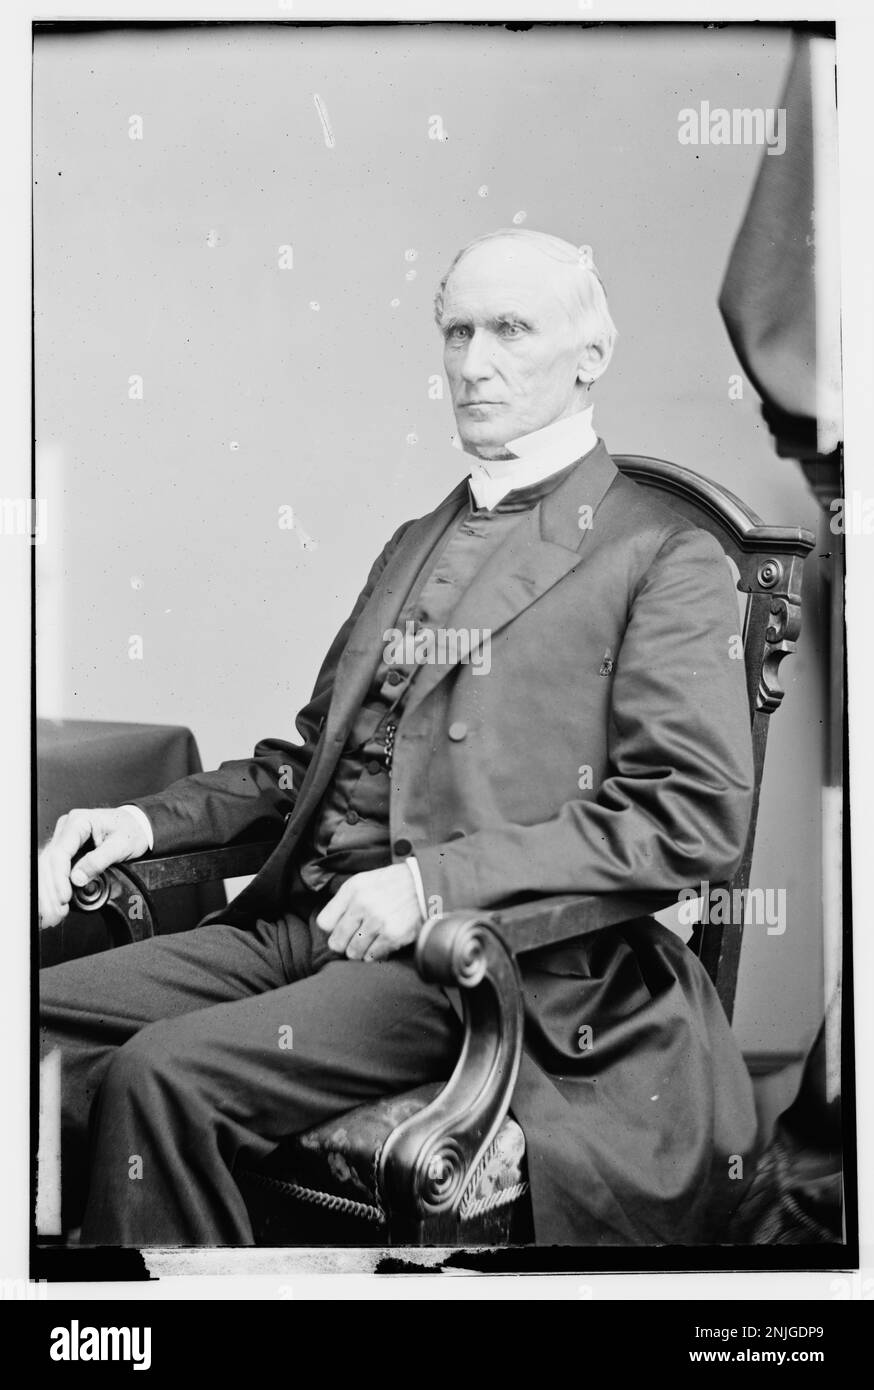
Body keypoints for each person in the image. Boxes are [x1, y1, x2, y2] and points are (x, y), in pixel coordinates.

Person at [39, 228, 758, 1247]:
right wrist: (139, 825)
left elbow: (683, 819)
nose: (474, 362)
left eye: (511, 329)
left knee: (165, 1074)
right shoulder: (413, 542)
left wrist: (430, 887)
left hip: (482, 966)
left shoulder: (661, 555)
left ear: (590, 357)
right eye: (457, 331)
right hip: (301, 931)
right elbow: (309, 772)